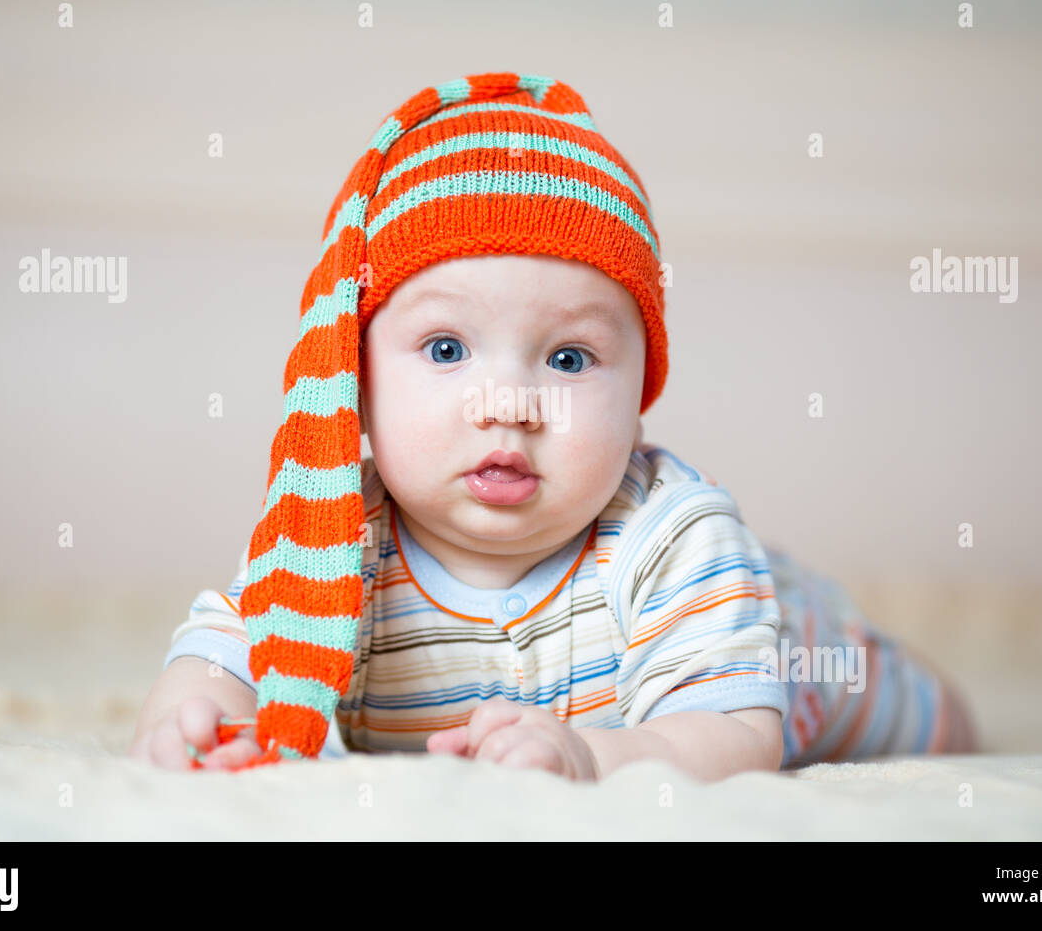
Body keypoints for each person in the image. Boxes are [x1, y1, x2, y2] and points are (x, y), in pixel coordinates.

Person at [128, 71, 977, 782]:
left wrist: (596, 757)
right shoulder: (329, 541)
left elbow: (735, 738)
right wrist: (194, 718)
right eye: (447, 346)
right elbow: (228, 651)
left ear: (640, 384)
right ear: (356, 368)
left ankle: (911, 674)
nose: (510, 404)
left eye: (568, 360)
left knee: (919, 720)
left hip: (776, 640)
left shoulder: (674, 539)